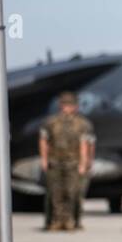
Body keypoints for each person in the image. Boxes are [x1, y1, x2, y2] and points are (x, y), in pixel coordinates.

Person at [39, 91, 95, 231]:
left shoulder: (82, 124)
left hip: (73, 163)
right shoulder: (50, 122)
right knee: (55, 193)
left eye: (70, 105)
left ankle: (70, 221)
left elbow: (86, 145)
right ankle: (56, 221)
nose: (67, 108)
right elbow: (44, 141)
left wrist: (85, 162)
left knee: (72, 193)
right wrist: (44, 160)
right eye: (64, 104)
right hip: (55, 161)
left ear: (76, 106)